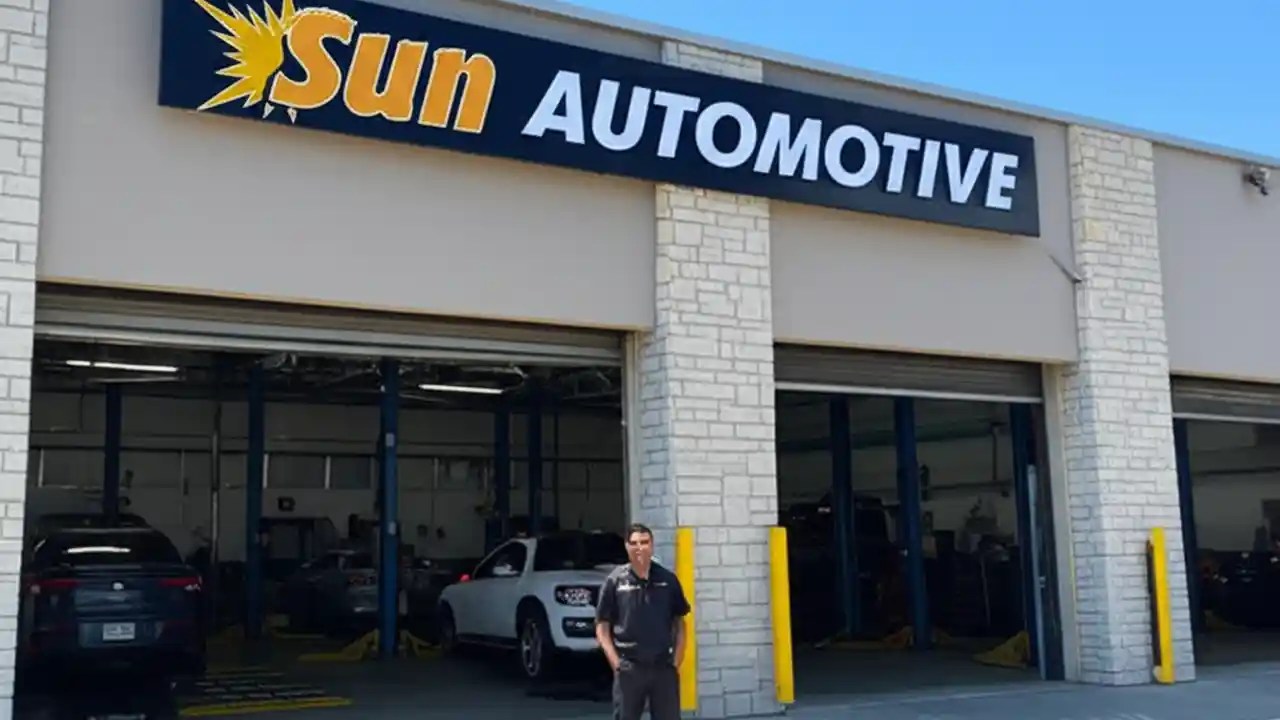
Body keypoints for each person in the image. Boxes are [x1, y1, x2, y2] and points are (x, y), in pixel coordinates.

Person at [594, 523, 691, 720]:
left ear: (652, 546)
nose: (640, 548)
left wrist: (675, 662)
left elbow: (680, 621)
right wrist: (617, 664)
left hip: (663, 667)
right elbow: (602, 626)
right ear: (626, 546)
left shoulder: (667, 580)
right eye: (634, 543)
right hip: (629, 668)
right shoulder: (615, 581)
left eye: (644, 542)